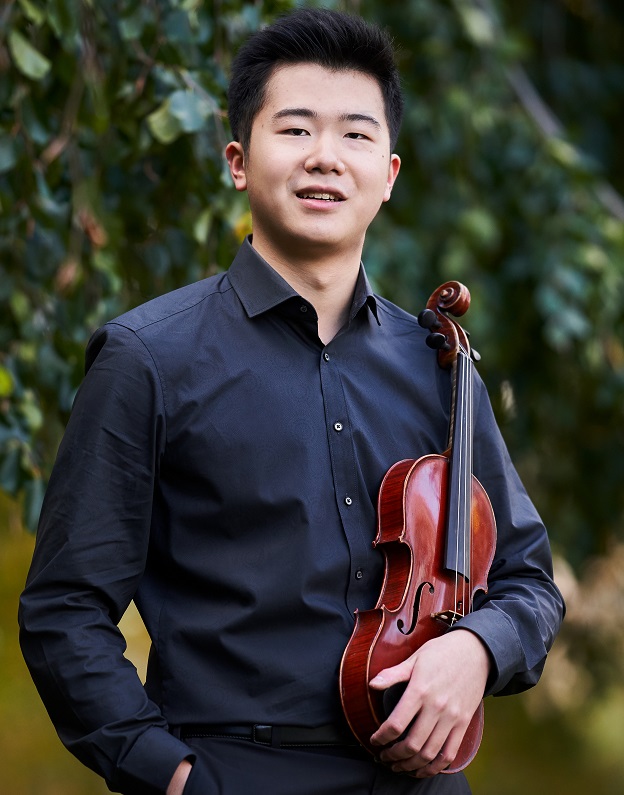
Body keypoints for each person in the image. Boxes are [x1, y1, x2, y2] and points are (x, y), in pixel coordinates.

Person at [19, 8, 564, 795]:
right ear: (239, 161)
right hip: (234, 771)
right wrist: (169, 774)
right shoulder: (147, 357)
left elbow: (528, 581)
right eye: (296, 129)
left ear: (389, 174)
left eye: (355, 134)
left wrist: (478, 648)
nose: (325, 159)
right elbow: (64, 610)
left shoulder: (441, 364)